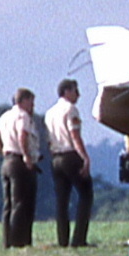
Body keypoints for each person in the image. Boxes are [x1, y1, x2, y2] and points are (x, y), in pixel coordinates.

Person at [0, 88, 41, 248]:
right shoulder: (23, 116)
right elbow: (22, 135)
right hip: (20, 162)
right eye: (31, 101)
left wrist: (4, 152)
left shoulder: (4, 116)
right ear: (23, 101)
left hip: (7, 161)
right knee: (22, 203)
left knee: (8, 204)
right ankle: (20, 241)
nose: (33, 106)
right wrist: (26, 156)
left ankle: (7, 240)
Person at [45, 78, 93, 247]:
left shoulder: (50, 113)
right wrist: (84, 157)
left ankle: (62, 239)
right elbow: (75, 136)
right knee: (86, 194)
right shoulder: (71, 110)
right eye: (75, 91)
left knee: (62, 200)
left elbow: (49, 139)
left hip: (56, 157)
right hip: (70, 155)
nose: (78, 95)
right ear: (66, 92)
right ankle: (79, 238)